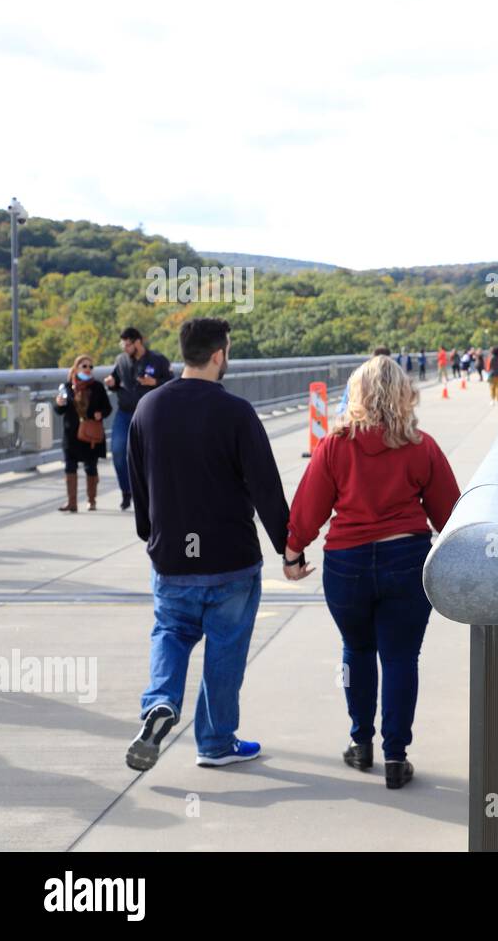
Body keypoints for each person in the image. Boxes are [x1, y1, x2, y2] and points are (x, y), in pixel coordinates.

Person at [124, 318, 292, 772]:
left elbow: (140, 484)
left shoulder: (148, 409)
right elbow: (266, 487)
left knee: (171, 633)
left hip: (173, 557)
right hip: (230, 558)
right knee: (225, 650)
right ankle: (215, 743)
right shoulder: (236, 412)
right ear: (219, 355)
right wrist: (288, 549)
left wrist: (151, 534)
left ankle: (160, 703)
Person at [285, 356, 461, 789]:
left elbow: (309, 508)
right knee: (401, 658)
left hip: (348, 565)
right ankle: (396, 756)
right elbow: (450, 514)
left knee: (356, 650)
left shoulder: (334, 445)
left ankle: (360, 743)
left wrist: (293, 554)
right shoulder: (421, 446)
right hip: (406, 561)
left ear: (356, 394)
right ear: (404, 394)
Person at [104, 328, 172, 511]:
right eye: (123, 345)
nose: (125, 348)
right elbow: (116, 380)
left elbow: (172, 383)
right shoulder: (121, 360)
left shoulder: (158, 360)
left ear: (138, 342)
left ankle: (151, 494)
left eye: (128, 344)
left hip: (150, 413)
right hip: (125, 413)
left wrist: (155, 383)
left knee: (149, 456)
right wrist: (111, 383)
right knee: (118, 452)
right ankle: (127, 492)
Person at [53, 355, 112, 512]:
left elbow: (108, 408)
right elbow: (59, 410)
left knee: (90, 467)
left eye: (90, 367)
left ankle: (91, 500)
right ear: (76, 368)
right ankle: (72, 502)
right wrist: (58, 404)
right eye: (84, 366)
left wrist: (101, 413)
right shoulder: (66, 387)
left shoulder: (97, 387)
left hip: (89, 434)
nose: (87, 369)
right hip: (71, 433)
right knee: (70, 466)